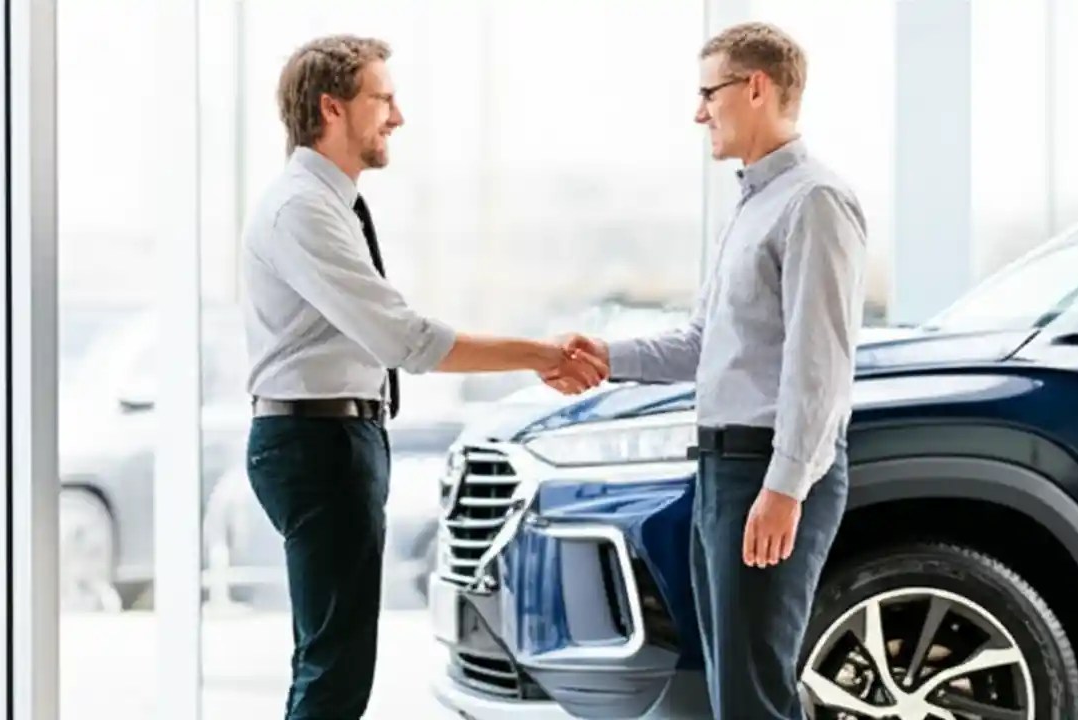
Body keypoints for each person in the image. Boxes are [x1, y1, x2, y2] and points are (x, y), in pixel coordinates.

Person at [240, 35, 605, 720]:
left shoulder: (326, 203)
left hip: (330, 436)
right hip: (317, 443)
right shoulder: (303, 210)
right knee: (336, 669)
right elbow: (403, 339)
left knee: (328, 657)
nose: (397, 116)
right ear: (332, 108)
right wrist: (540, 354)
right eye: (382, 99)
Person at [544, 22, 866, 720]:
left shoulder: (815, 202)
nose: (699, 113)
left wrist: (784, 487)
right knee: (731, 688)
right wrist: (607, 357)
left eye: (708, 93)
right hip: (723, 469)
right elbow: (704, 344)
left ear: (756, 88)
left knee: (753, 694)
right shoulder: (749, 209)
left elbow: (822, 366)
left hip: (769, 470)